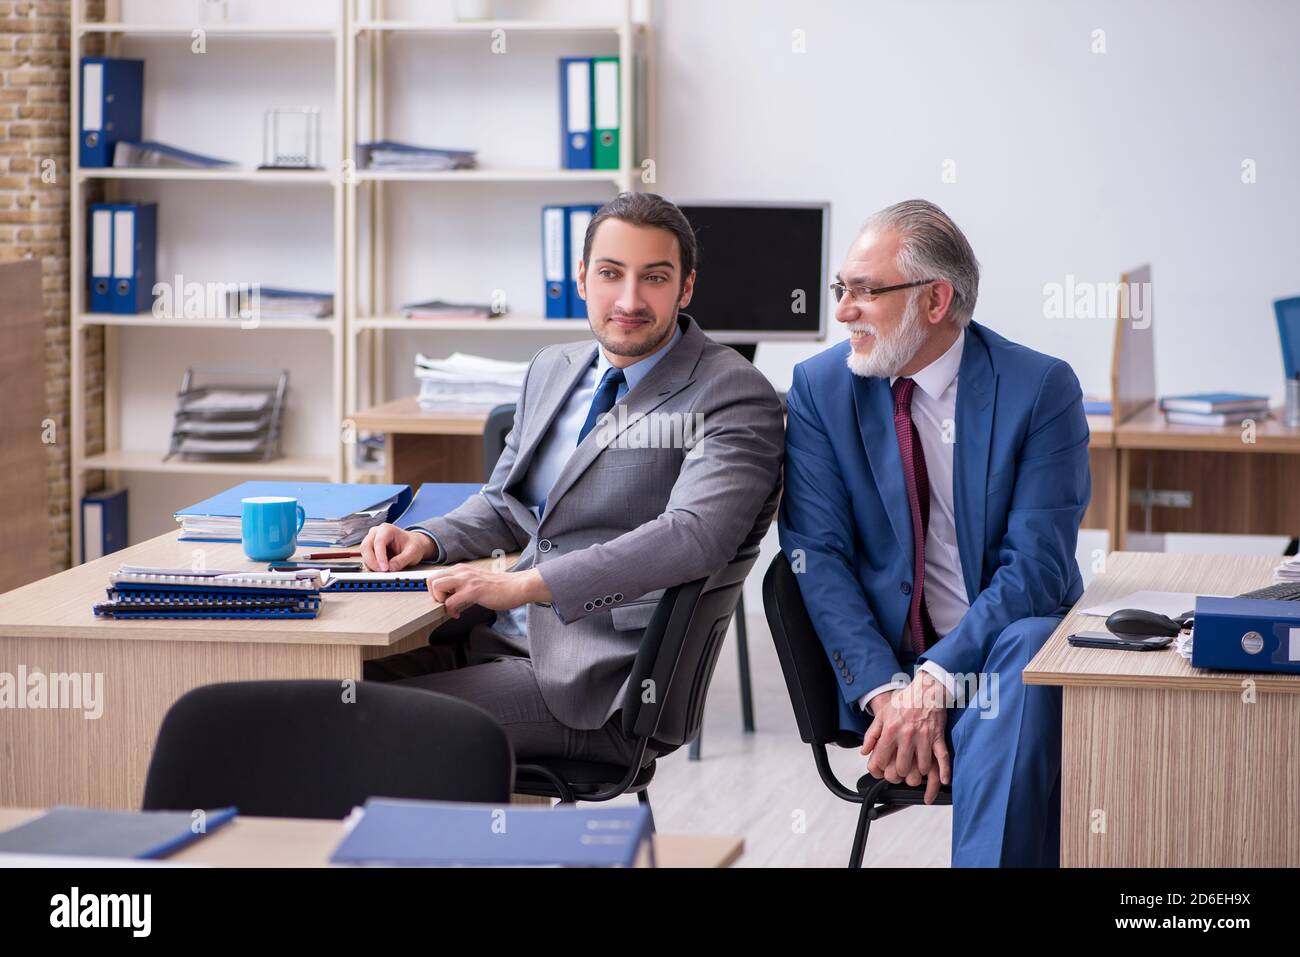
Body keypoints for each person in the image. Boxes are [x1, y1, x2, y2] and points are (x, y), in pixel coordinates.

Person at [362, 192, 784, 769]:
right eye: (611, 274)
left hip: (597, 679)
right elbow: (508, 506)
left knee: (353, 722)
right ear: (582, 278)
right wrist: (427, 539)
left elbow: (693, 535)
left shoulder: (733, 393)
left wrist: (525, 585)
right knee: (306, 688)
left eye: (654, 278)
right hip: (490, 640)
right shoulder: (552, 367)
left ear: (685, 288)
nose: (630, 300)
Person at [779, 199, 1090, 866]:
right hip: (884, 683)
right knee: (1026, 714)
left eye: (864, 291)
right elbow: (817, 555)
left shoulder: (1040, 389)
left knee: (1033, 655)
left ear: (934, 299)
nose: (841, 311)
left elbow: (1034, 570)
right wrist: (895, 691)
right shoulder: (819, 388)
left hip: (995, 664)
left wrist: (939, 682)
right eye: (842, 289)